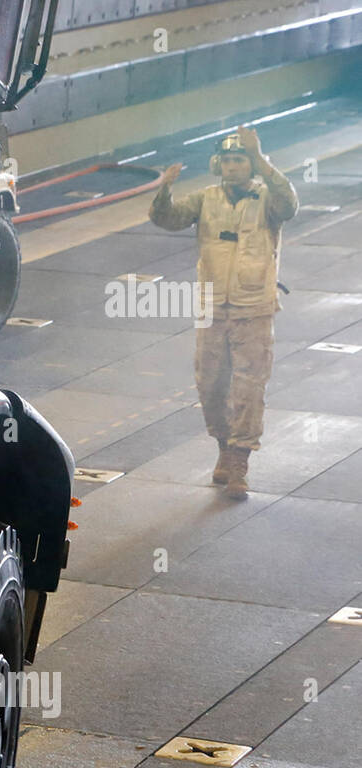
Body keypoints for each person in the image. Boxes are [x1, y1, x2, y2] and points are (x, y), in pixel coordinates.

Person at [149, 125, 298, 499]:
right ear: (219, 164)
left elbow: (290, 204)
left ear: (250, 164)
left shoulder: (268, 199)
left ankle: (239, 462)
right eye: (227, 160)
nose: (233, 166)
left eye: (239, 160)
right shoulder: (205, 198)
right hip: (213, 306)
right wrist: (164, 189)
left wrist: (262, 159)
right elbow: (167, 218)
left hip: (254, 307)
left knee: (249, 386)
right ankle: (222, 448)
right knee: (211, 383)